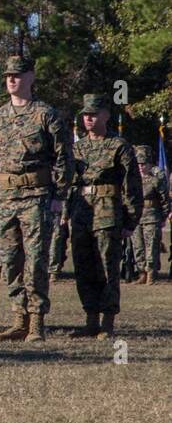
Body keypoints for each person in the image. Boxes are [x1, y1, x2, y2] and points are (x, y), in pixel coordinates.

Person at [0, 55, 73, 343]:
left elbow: (64, 157)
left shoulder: (46, 115)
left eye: (18, 75)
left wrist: (59, 195)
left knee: (35, 261)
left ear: (31, 78)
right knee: (10, 261)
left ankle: (36, 322)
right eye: (9, 75)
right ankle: (17, 319)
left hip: (37, 196)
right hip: (7, 198)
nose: (12, 79)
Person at [70, 95, 140, 339]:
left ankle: (107, 321)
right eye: (85, 114)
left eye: (94, 113)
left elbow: (132, 185)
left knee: (106, 265)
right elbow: (69, 182)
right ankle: (90, 318)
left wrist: (131, 219)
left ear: (105, 115)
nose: (88, 118)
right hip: (81, 212)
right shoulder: (76, 147)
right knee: (83, 265)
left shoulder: (119, 145)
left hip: (108, 211)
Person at [133, 144, 170, 284]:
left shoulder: (156, 179)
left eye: (144, 164)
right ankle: (141, 272)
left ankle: (151, 274)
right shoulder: (133, 180)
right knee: (138, 247)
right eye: (139, 164)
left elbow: (164, 198)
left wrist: (164, 215)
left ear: (149, 164)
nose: (141, 167)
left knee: (152, 247)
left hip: (152, 217)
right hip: (136, 218)